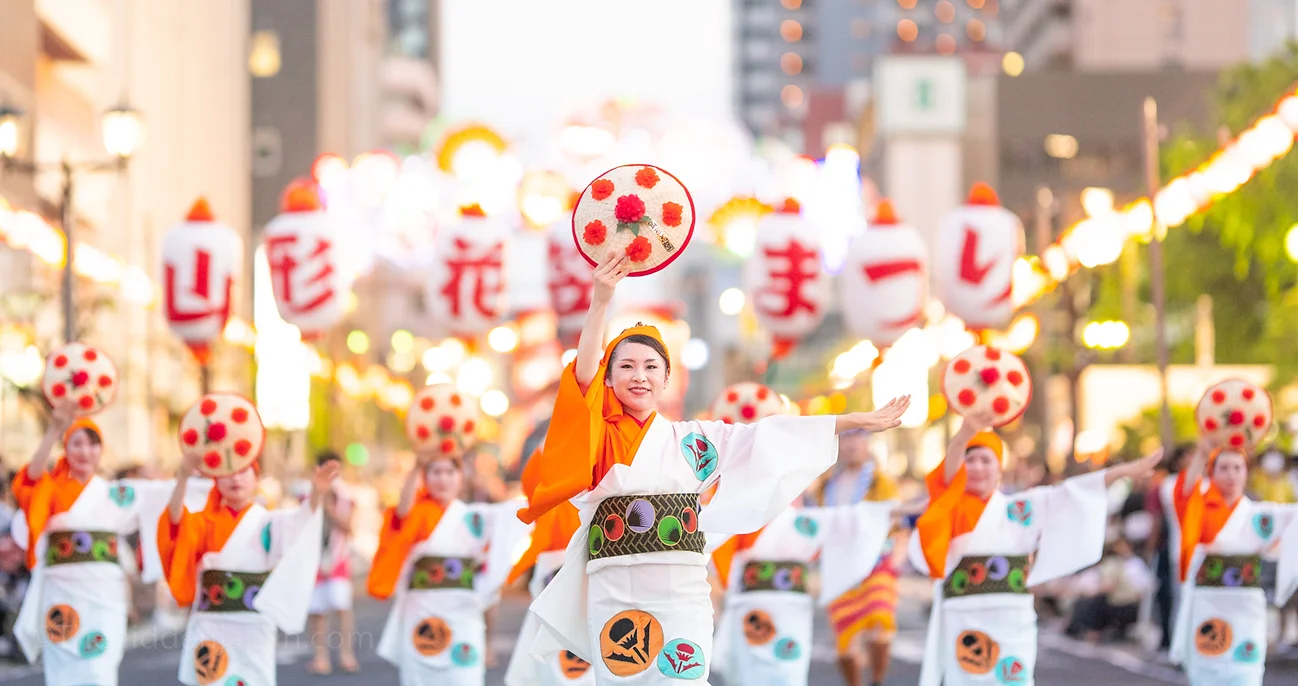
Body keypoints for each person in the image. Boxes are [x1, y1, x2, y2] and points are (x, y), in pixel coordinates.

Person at [514, 252, 911, 683]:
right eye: (625, 366)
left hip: (683, 588)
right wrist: (601, 300)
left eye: (651, 367)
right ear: (608, 380)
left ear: (667, 378)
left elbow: (766, 437)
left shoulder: (695, 440)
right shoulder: (600, 435)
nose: (639, 375)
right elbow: (581, 381)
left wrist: (849, 421)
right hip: (617, 589)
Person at [911, 409, 1160, 686]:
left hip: (1011, 616)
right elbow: (944, 480)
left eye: (986, 460)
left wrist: (1119, 473)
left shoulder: (1018, 509)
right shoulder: (950, 509)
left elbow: (1070, 494)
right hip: (963, 615)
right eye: (970, 460)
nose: (978, 467)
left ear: (999, 468)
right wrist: (964, 434)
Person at [10, 401, 209, 686]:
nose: (85, 451)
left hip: (105, 593)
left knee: (99, 669)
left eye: (93, 445)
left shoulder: (115, 494)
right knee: (62, 669)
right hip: (62, 592)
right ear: (65, 447)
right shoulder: (50, 488)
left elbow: (159, 497)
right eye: (77, 443)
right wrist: (54, 429)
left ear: (101, 450)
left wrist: (185, 477)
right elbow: (29, 482)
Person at [158, 449, 335, 686]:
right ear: (216, 479)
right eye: (227, 473)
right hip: (212, 625)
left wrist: (316, 494)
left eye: (243, 471)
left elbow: (300, 522)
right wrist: (182, 477)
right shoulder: (204, 522)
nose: (236, 479)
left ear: (256, 477)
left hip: (254, 626)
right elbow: (175, 525)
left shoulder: (268, 521)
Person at [366, 443, 530, 686]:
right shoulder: (418, 512)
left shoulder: (475, 517)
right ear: (425, 476)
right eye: (435, 472)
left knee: (465, 676)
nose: (443, 479)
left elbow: (515, 514)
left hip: (464, 609)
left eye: (449, 472)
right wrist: (416, 466)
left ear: (461, 477)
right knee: (420, 677)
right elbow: (402, 511)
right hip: (422, 610)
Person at [1170, 439, 1298, 685]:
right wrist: (1202, 452)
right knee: (1208, 674)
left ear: (1247, 472)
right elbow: (1185, 491)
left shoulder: (1259, 515)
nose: (1231, 475)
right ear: (1212, 472)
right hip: (1208, 605)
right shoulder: (1200, 508)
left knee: (1245, 674)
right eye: (1224, 468)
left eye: (1238, 468)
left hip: (1246, 607)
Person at [818, 430, 908, 686]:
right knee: (845, 642)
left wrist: (897, 556)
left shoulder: (880, 481)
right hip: (840, 567)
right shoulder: (828, 484)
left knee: (881, 619)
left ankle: (877, 680)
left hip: (875, 563)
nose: (851, 445)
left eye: (857, 438)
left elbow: (897, 521)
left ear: (867, 443)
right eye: (845, 438)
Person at [504, 450, 593, 686]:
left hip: (569, 576)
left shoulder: (571, 500)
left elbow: (539, 541)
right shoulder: (565, 500)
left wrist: (514, 572)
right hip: (567, 575)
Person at [305, 449, 358, 675]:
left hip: (338, 559)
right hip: (314, 559)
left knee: (342, 607)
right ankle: (321, 658)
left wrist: (330, 510)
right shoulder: (307, 494)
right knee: (317, 611)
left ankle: (346, 654)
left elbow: (349, 528)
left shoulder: (346, 497)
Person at [1065, 537, 1154, 642]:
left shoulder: (1124, 563)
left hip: (1127, 604)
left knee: (1094, 602)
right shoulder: (1115, 563)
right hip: (1122, 602)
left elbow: (1109, 586)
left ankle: (1093, 633)